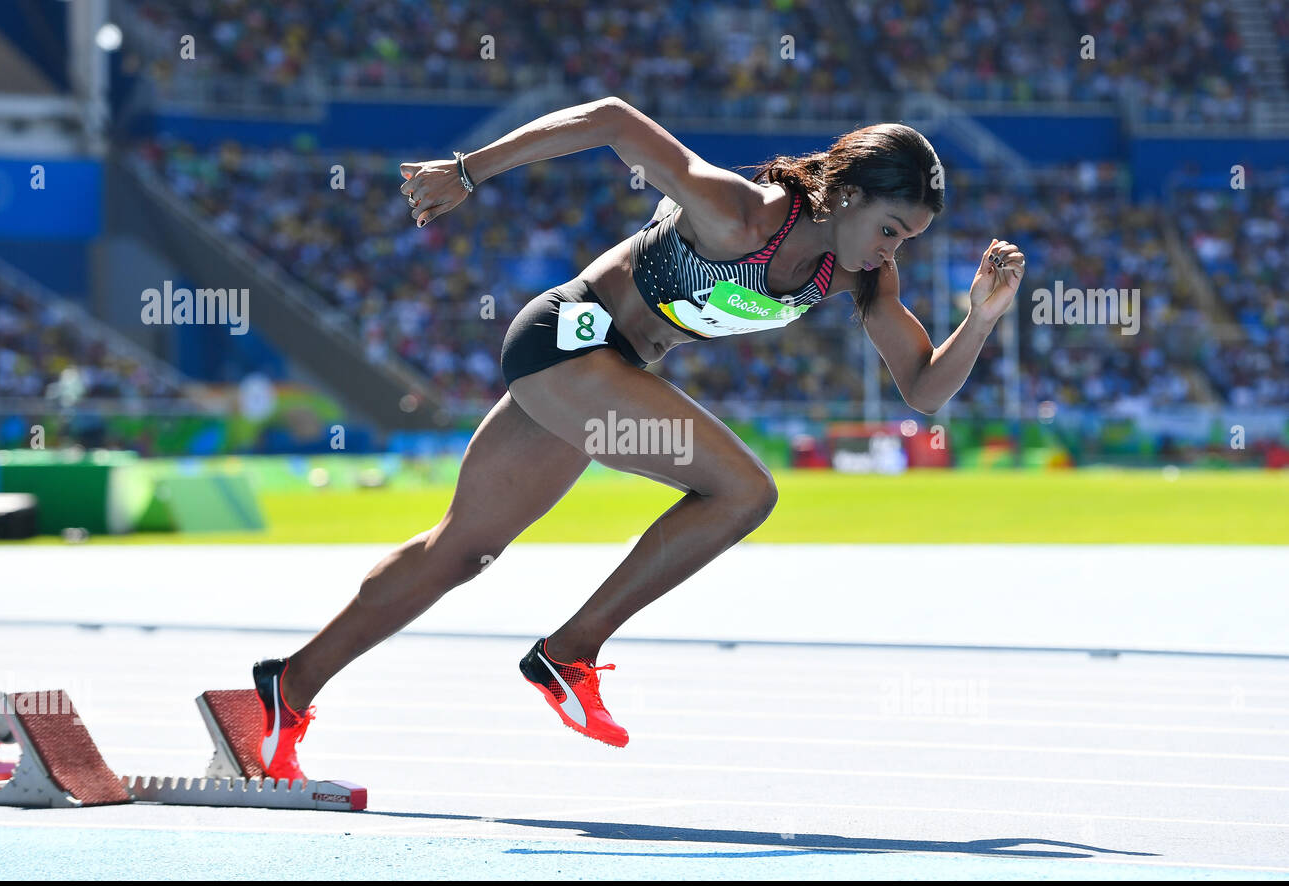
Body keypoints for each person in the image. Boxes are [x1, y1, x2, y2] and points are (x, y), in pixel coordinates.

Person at [252, 97, 1025, 777]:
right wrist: (469, 168)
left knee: (461, 550)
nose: (895, 249)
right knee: (744, 491)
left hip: (601, 375)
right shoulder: (740, 213)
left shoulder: (863, 278)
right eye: (890, 227)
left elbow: (923, 389)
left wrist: (981, 319)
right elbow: (613, 120)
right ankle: (568, 653)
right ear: (844, 195)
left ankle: (283, 695)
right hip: (568, 340)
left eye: (910, 238)